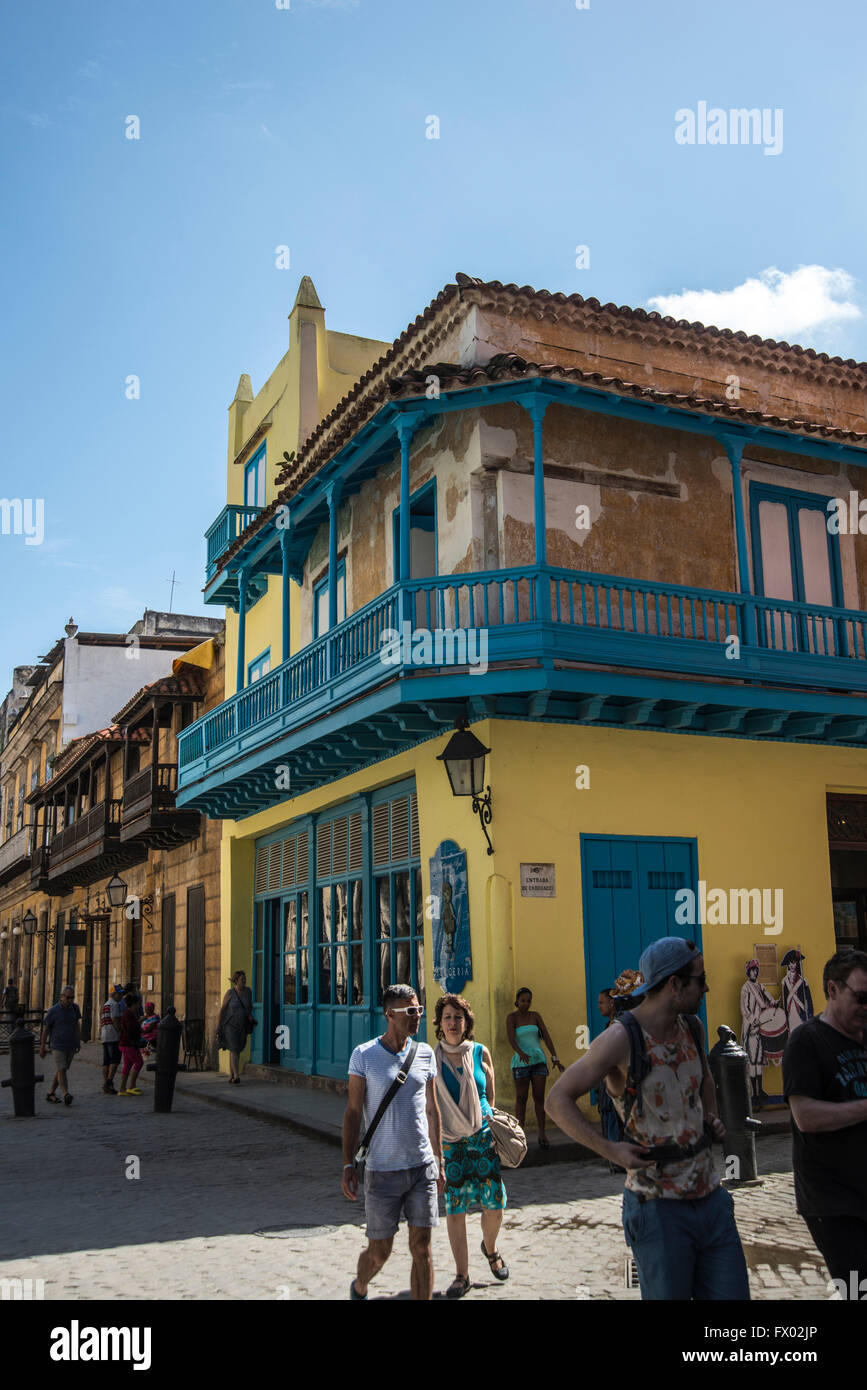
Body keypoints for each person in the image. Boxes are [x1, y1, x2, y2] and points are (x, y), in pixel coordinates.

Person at [546, 937, 749, 1301]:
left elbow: (704, 1077)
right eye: (701, 979)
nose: (707, 986)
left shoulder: (693, 1027)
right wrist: (609, 1149)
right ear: (674, 984)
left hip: (712, 1200)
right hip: (657, 1208)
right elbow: (557, 1100)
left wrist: (711, 1117)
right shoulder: (620, 1039)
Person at [341, 983, 444, 1301]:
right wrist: (348, 1163)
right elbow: (354, 1111)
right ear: (389, 1015)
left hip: (421, 1167)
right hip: (382, 1171)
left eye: (419, 1010)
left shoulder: (425, 1053)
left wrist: (439, 1160)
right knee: (379, 1252)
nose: (417, 1017)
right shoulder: (364, 1055)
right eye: (410, 1011)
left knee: (422, 1248)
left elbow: (432, 1109)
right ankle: (360, 1285)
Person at [782, 948, 867, 1295]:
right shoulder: (806, 1041)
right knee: (858, 1290)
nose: (866, 1007)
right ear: (832, 990)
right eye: (861, 998)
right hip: (833, 1203)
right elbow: (806, 1117)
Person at [434, 993, 508, 1299]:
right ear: (439, 1024)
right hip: (451, 1143)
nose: (453, 1023)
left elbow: (489, 1095)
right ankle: (462, 1275)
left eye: (458, 1017)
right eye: (448, 1018)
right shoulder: (430, 1058)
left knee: (495, 1204)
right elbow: (429, 1104)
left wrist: (481, 1118)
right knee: (456, 1210)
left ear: (467, 1023)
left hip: (482, 1139)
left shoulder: (480, 1052)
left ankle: (490, 1248)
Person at [505, 987, 564, 1148]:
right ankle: (520, 1135)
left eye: (529, 1001)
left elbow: (546, 1036)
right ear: (517, 1001)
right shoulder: (512, 1018)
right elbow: (511, 1038)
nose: (526, 1003)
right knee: (521, 1098)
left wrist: (554, 1057)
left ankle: (542, 1134)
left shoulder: (535, 1016)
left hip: (538, 1061)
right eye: (523, 1000)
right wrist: (521, 1053)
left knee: (539, 1098)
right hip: (521, 1063)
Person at [740, 958, 777, 1107]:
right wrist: (752, 1019)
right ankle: (754, 1093)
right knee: (753, 1060)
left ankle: (760, 1090)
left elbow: (768, 998)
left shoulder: (760, 987)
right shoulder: (745, 988)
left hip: (761, 1027)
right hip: (752, 1028)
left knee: (759, 1060)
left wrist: (773, 1002)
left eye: (756, 970)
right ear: (749, 972)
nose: (755, 972)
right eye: (752, 970)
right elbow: (744, 1009)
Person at [39, 986, 81, 1106]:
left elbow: (77, 1025)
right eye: (68, 998)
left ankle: (50, 1092)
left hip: (71, 1045)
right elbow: (46, 1029)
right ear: (62, 997)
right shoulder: (53, 1010)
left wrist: (78, 1041)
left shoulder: (75, 1008)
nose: (70, 1000)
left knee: (61, 1069)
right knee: (62, 1069)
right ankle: (66, 1093)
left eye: (72, 998)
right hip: (57, 1045)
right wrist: (42, 1046)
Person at [217, 970, 254, 1083]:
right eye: (242, 980)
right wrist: (219, 1025)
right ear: (236, 981)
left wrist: (249, 1016)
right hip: (230, 1025)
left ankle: (231, 1075)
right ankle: (237, 1076)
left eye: (245, 979)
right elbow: (223, 1009)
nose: (244, 982)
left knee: (237, 1050)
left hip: (242, 1025)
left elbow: (250, 1006)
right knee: (234, 1049)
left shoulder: (248, 992)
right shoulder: (230, 993)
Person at [99, 983, 126, 1094]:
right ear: (114, 994)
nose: (121, 997)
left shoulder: (105, 1004)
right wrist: (119, 1031)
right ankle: (109, 1082)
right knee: (115, 1060)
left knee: (106, 1061)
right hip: (113, 1035)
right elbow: (115, 1019)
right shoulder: (114, 1004)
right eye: (119, 994)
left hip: (105, 1035)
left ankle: (106, 1084)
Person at [781, 950, 814, 1037]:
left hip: (801, 1013)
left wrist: (809, 1016)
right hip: (790, 1013)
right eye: (790, 963)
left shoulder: (803, 981)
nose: (792, 965)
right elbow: (784, 1002)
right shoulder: (784, 981)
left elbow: (808, 1001)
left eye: (794, 963)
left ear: (797, 964)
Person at [118, 993, 144, 1096]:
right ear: (132, 1005)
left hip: (126, 1043)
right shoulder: (128, 1014)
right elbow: (130, 1029)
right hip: (128, 1044)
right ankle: (131, 1086)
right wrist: (139, 1023)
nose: (138, 1007)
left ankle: (122, 1089)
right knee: (139, 1062)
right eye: (137, 1004)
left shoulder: (129, 1014)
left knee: (128, 1065)